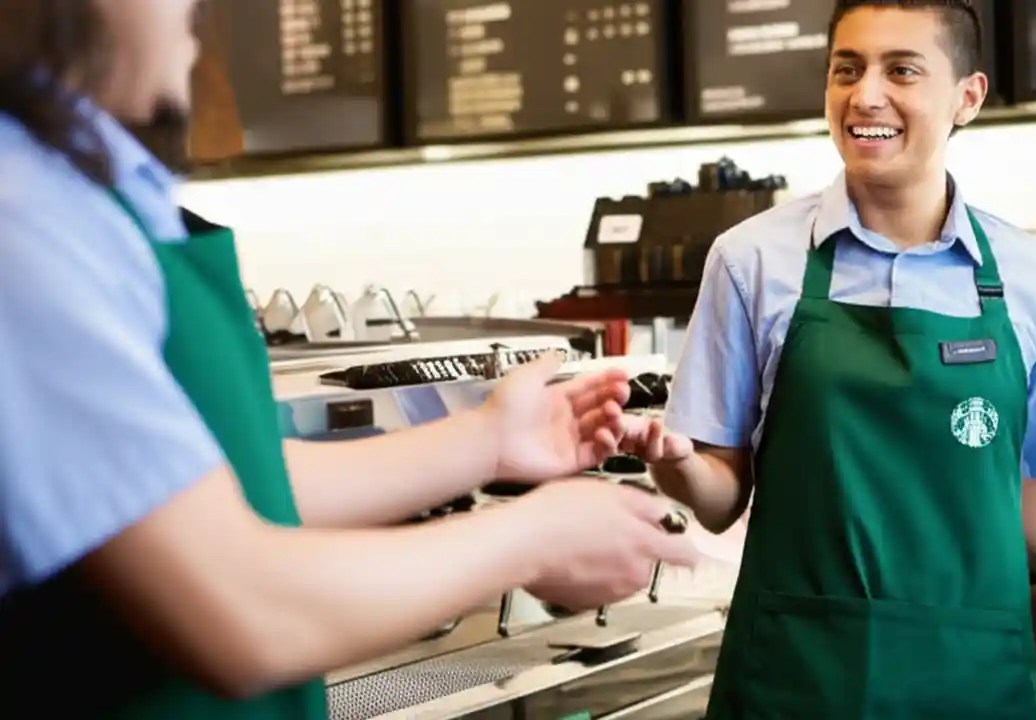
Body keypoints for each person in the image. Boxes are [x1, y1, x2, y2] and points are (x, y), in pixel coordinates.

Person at [0, 2, 697, 718]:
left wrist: (487, 440)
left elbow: (227, 480)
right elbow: (245, 609)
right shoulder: (23, 217)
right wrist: (532, 538)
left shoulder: (88, 196)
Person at [618, 1, 1036, 718]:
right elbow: (720, 499)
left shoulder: (1034, 280)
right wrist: (675, 462)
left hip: (972, 681)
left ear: (968, 97)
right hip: (798, 678)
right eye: (847, 69)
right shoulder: (751, 259)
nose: (866, 95)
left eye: (901, 70)